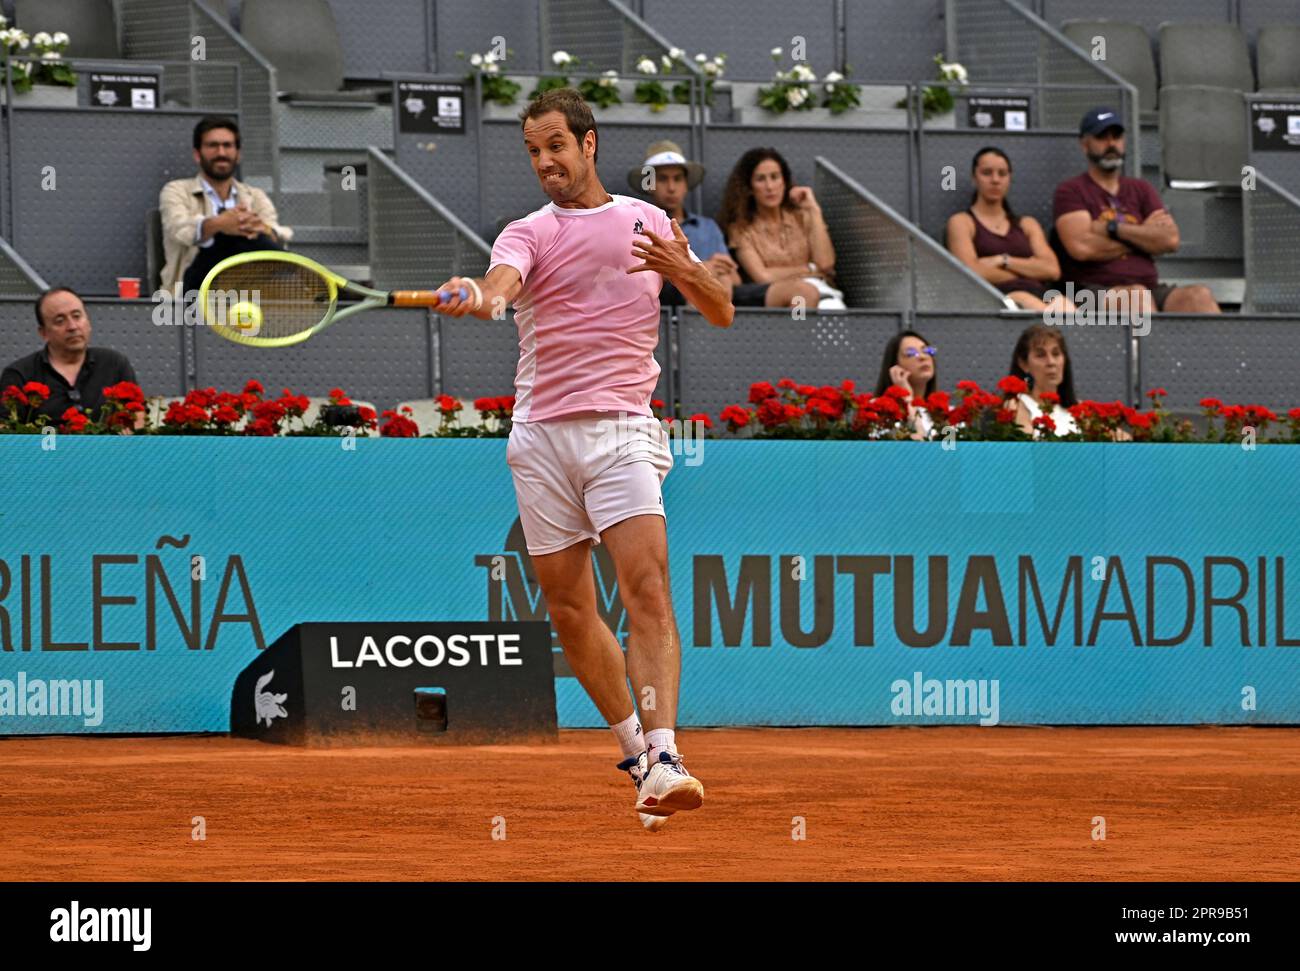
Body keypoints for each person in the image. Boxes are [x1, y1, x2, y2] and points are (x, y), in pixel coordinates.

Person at [429, 89, 733, 832]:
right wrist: (479, 291)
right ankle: (637, 757)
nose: (545, 162)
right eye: (533, 150)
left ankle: (666, 752)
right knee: (569, 612)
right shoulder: (526, 232)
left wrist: (683, 269)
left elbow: (721, 310)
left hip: (622, 429)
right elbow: (501, 286)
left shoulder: (648, 220)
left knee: (647, 586)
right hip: (539, 437)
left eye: (556, 145)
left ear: (589, 143)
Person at [1053, 107, 1220, 317]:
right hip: (1091, 291)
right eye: (1102, 137)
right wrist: (1142, 235)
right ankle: (1149, 351)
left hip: (1149, 286)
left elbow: (1170, 240)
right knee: (1136, 298)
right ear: (1085, 145)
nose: (1111, 144)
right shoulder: (1071, 190)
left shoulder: (1141, 189)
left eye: (1116, 136)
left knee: (1199, 296)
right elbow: (1082, 247)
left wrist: (1112, 229)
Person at [159, 116, 293, 297]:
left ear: (238, 154)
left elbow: (276, 235)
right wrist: (220, 224)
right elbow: (180, 229)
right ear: (197, 154)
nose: (221, 152)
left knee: (256, 238)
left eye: (227, 145)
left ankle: (320, 284)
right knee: (226, 237)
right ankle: (326, 286)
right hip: (195, 291)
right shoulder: (176, 190)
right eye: (213, 145)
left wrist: (263, 229)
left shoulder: (255, 196)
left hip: (251, 292)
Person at [629, 139, 769, 307]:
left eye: (678, 179)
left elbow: (735, 279)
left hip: (714, 294)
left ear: (686, 184)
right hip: (663, 299)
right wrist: (700, 269)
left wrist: (716, 270)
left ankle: (703, 328)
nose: (671, 187)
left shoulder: (708, 227)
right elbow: (636, 277)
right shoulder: (637, 226)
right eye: (663, 179)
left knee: (722, 279)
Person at [947, 147, 1074, 313]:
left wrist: (1003, 261)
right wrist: (1027, 272)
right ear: (974, 178)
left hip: (1042, 295)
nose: (995, 180)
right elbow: (970, 272)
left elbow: (1052, 270)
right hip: (998, 298)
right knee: (1034, 305)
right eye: (986, 173)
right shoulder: (962, 222)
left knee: (1069, 309)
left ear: (1009, 179)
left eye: (1002, 173)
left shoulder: (1027, 224)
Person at [717, 147, 843, 309]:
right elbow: (763, 276)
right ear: (749, 188)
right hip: (783, 298)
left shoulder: (803, 215)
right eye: (761, 179)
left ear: (784, 182)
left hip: (823, 294)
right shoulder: (741, 229)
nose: (770, 186)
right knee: (802, 302)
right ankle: (799, 330)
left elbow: (825, 263)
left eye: (775, 177)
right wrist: (810, 268)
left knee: (831, 310)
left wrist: (813, 210)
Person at [1, 288, 140, 425]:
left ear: (88, 321)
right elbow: (5, 432)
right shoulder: (19, 375)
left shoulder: (114, 364)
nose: (72, 326)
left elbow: (137, 416)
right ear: (43, 333)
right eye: (60, 321)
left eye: (77, 316)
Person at [1003, 324, 1080, 438]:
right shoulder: (1016, 406)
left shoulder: (1081, 410)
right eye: (1041, 355)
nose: (1051, 362)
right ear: (1024, 364)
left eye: (1056, 354)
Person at [874, 330, 939, 440]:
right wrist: (906, 398)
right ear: (895, 366)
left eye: (926, 350)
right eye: (911, 353)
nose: (922, 357)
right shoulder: (879, 411)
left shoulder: (943, 413)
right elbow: (920, 443)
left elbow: (950, 452)